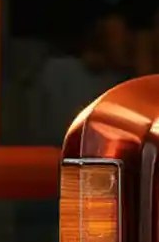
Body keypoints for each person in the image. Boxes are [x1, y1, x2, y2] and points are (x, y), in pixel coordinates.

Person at [28, 12, 134, 144]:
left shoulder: (118, 84)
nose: (127, 42)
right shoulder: (58, 71)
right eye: (119, 37)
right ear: (100, 38)